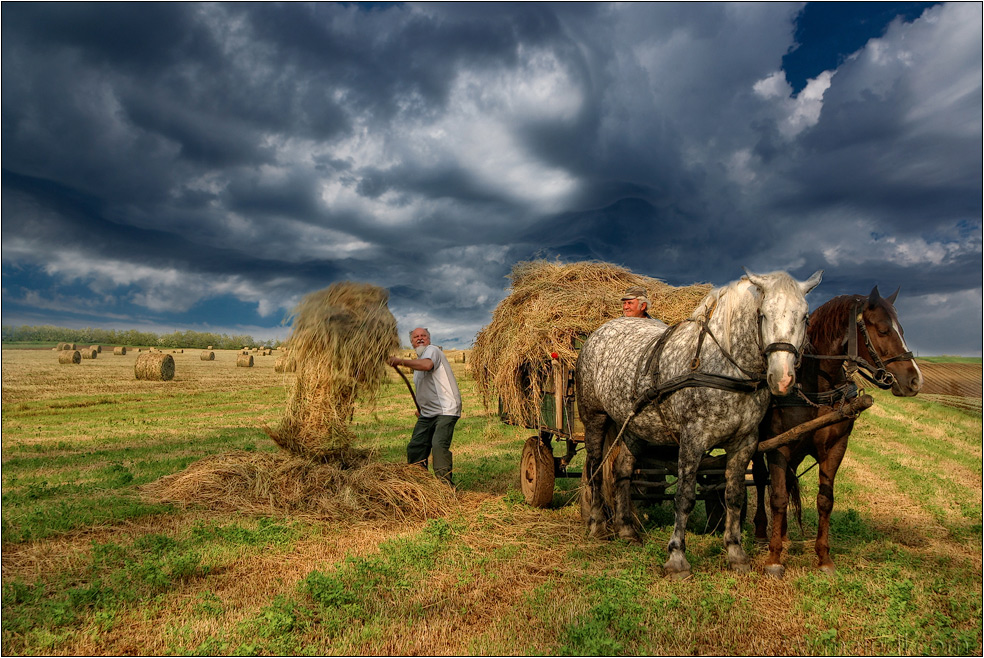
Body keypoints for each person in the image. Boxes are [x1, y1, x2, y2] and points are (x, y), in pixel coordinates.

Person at [386, 327, 462, 485]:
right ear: (412, 342)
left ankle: (445, 489)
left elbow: (427, 365)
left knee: (438, 445)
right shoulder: (417, 366)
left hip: (446, 409)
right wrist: (420, 408)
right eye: (416, 337)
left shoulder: (432, 350)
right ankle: (419, 484)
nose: (420, 338)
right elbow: (426, 388)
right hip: (427, 413)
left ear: (429, 339)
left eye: (423, 336)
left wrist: (400, 361)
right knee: (416, 446)